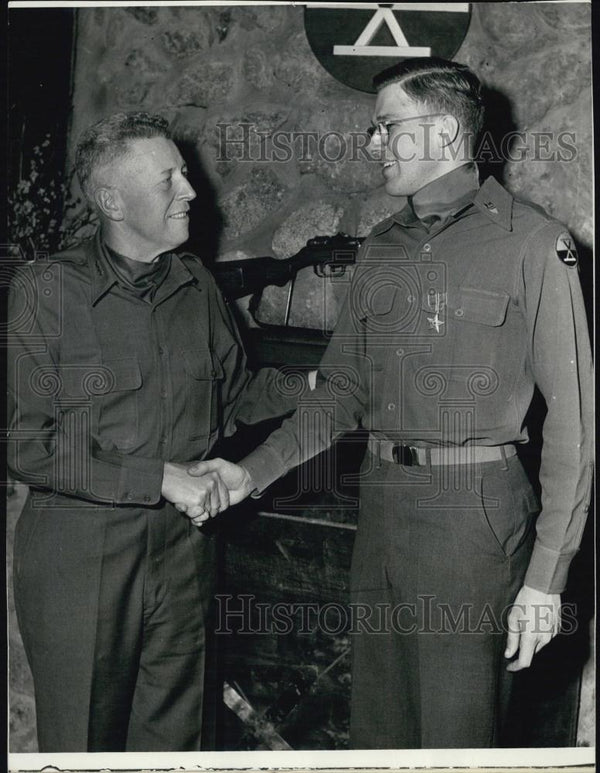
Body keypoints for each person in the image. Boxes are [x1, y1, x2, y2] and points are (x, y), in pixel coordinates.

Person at [191, 58, 593, 748]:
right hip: (381, 506)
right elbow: (341, 391)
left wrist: (544, 581)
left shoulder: (532, 242)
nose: (372, 143)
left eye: (387, 127)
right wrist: (250, 471)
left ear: (440, 132)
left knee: (456, 734)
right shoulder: (382, 247)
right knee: (379, 730)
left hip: (475, 521)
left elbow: (578, 429)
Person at [7, 111, 307, 752]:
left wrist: (317, 386)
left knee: (176, 742)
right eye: (168, 178)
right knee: (85, 744)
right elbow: (25, 442)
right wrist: (158, 477)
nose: (191, 190)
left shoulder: (195, 284)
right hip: (82, 556)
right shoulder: (45, 290)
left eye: (185, 173)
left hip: (184, 556)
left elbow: (236, 397)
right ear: (112, 200)